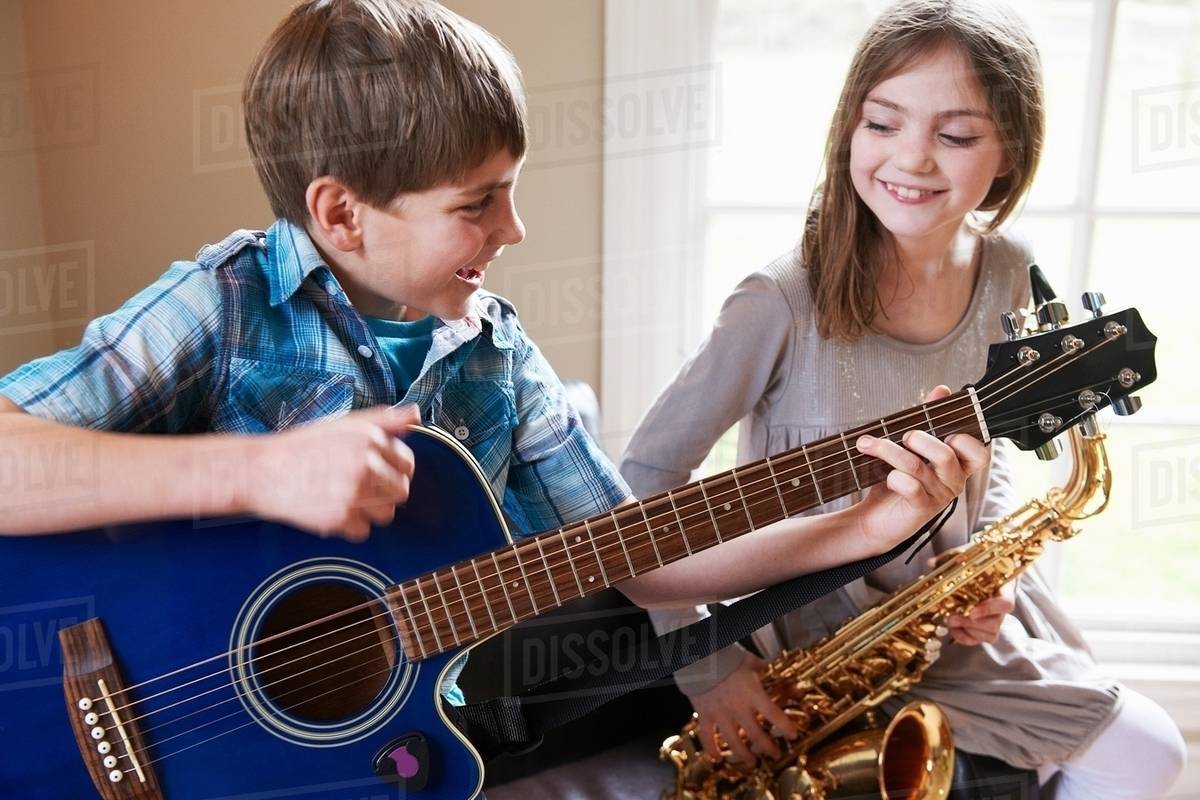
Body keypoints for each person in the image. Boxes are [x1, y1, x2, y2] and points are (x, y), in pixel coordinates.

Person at [0, 0, 986, 710]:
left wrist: (868, 526)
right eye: (477, 202)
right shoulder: (222, 306)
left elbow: (642, 556)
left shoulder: (493, 346)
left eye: (510, 188)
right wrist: (257, 467)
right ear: (341, 211)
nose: (514, 228)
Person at [620, 1, 1186, 797]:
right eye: (883, 124)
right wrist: (709, 670)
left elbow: (996, 458)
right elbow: (638, 490)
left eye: (955, 137)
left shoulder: (1009, 272)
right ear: (849, 128)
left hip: (946, 629)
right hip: (802, 641)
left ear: (1009, 154)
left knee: (1155, 752)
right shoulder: (778, 299)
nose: (912, 159)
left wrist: (993, 580)